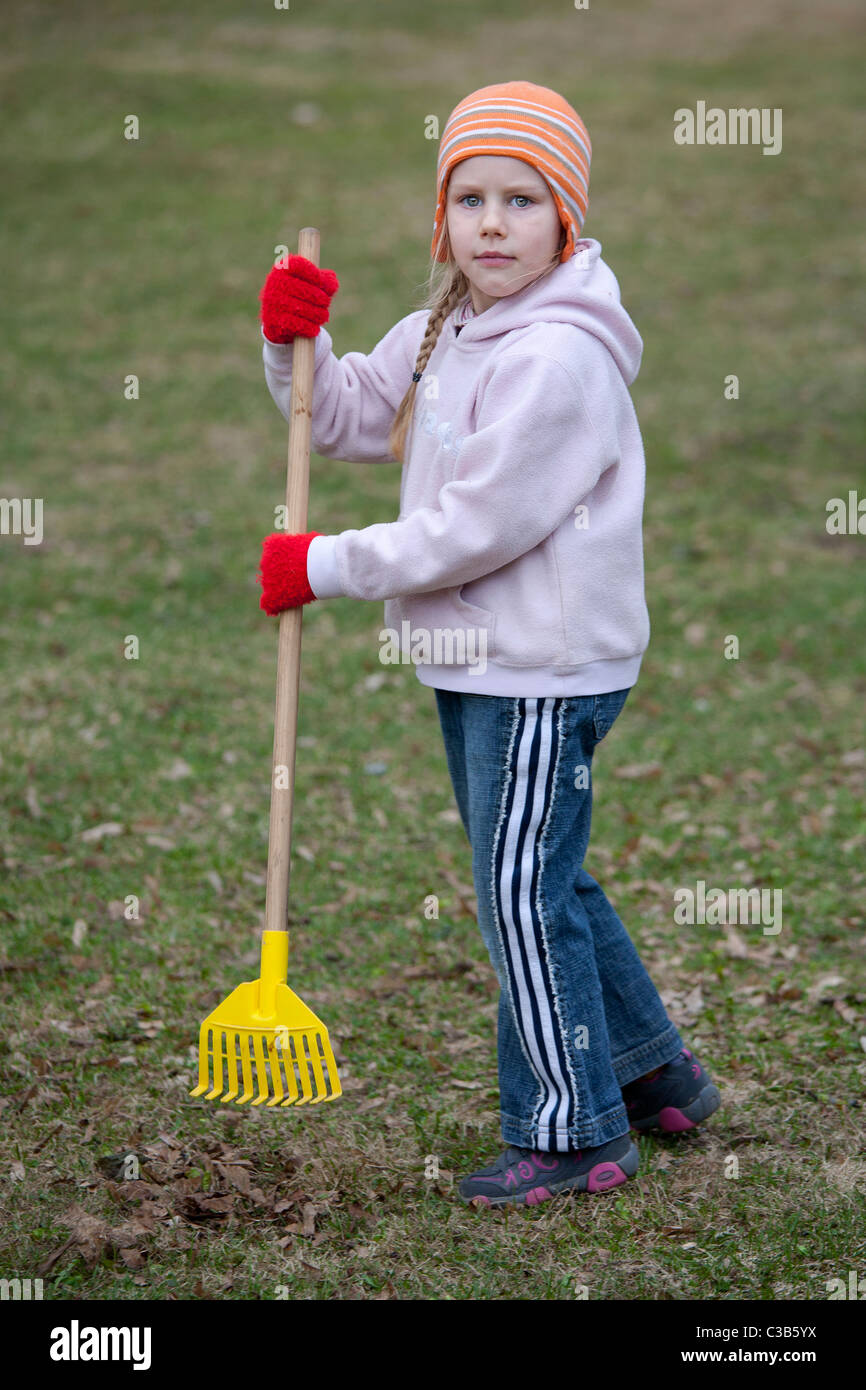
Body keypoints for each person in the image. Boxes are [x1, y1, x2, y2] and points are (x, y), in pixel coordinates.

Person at [256, 80, 720, 1209]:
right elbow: (347, 415)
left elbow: (477, 528)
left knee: (519, 888)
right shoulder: (442, 329)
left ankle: (570, 1133)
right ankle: (650, 1067)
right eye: (470, 198)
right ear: (441, 217)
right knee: (539, 870)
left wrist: (324, 562)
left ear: (566, 217)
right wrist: (290, 343)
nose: (493, 223)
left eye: (523, 198)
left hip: (542, 666)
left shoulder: (558, 359)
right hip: (481, 659)